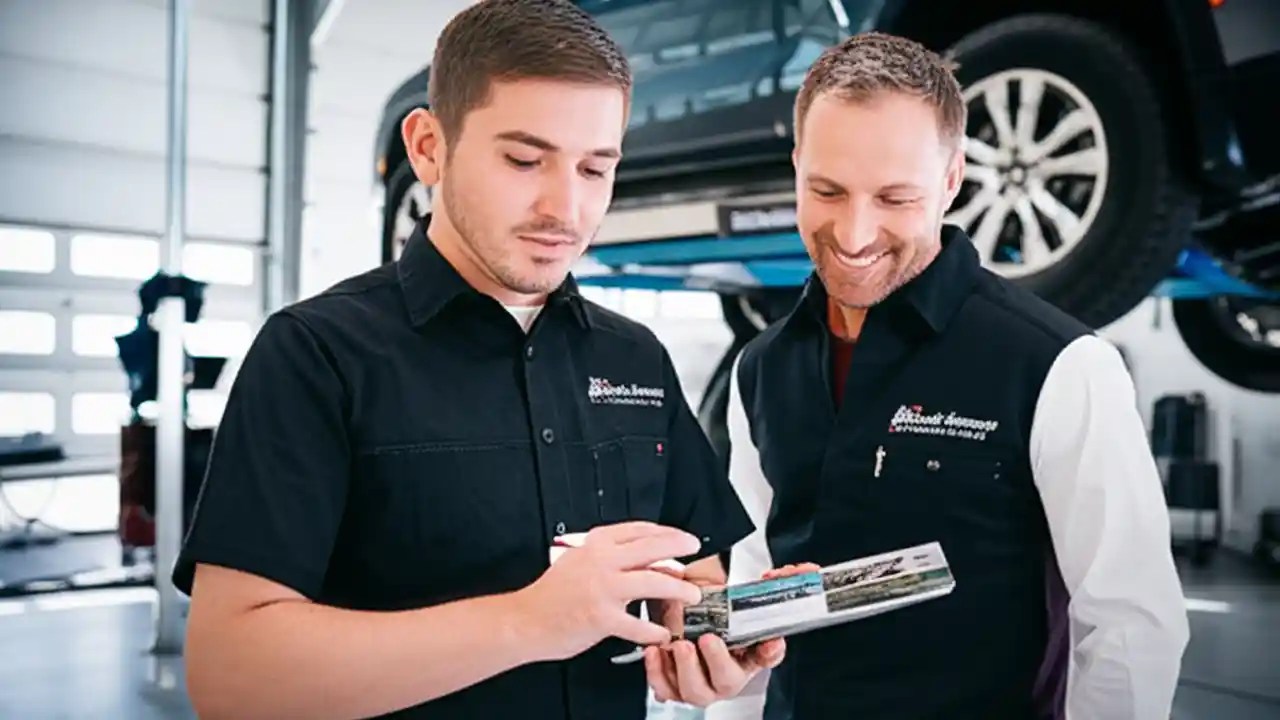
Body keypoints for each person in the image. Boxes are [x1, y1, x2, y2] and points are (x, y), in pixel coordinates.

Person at [173, 2, 780, 718]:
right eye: (525, 159)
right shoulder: (317, 354)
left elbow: (693, 573)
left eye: (595, 168)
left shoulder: (635, 357)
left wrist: (720, 632)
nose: (567, 208)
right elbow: (230, 675)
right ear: (429, 146)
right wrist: (529, 621)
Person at [702, 32, 1191, 720]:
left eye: (894, 198)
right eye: (827, 190)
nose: (853, 232)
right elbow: (754, 586)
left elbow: (1130, 627)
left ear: (953, 179)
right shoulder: (762, 369)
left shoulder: (1057, 366)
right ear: (796, 167)